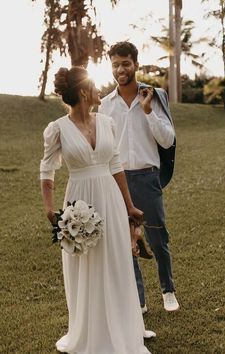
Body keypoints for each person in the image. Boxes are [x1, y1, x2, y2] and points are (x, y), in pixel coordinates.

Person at [40, 66, 155, 354]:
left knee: (115, 261)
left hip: (111, 199)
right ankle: (92, 332)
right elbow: (47, 170)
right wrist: (50, 209)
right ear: (83, 92)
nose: (100, 89)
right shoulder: (58, 128)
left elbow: (115, 165)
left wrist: (129, 206)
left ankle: (124, 326)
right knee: (86, 265)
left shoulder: (106, 122)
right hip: (79, 202)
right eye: (94, 86)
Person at [99, 41, 179, 313]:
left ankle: (168, 290)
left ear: (135, 63)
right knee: (125, 240)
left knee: (157, 237)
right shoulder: (105, 105)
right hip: (117, 179)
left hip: (147, 177)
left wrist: (148, 112)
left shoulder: (153, 97)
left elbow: (168, 141)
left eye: (125, 63)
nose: (120, 70)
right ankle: (139, 299)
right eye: (115, 65)